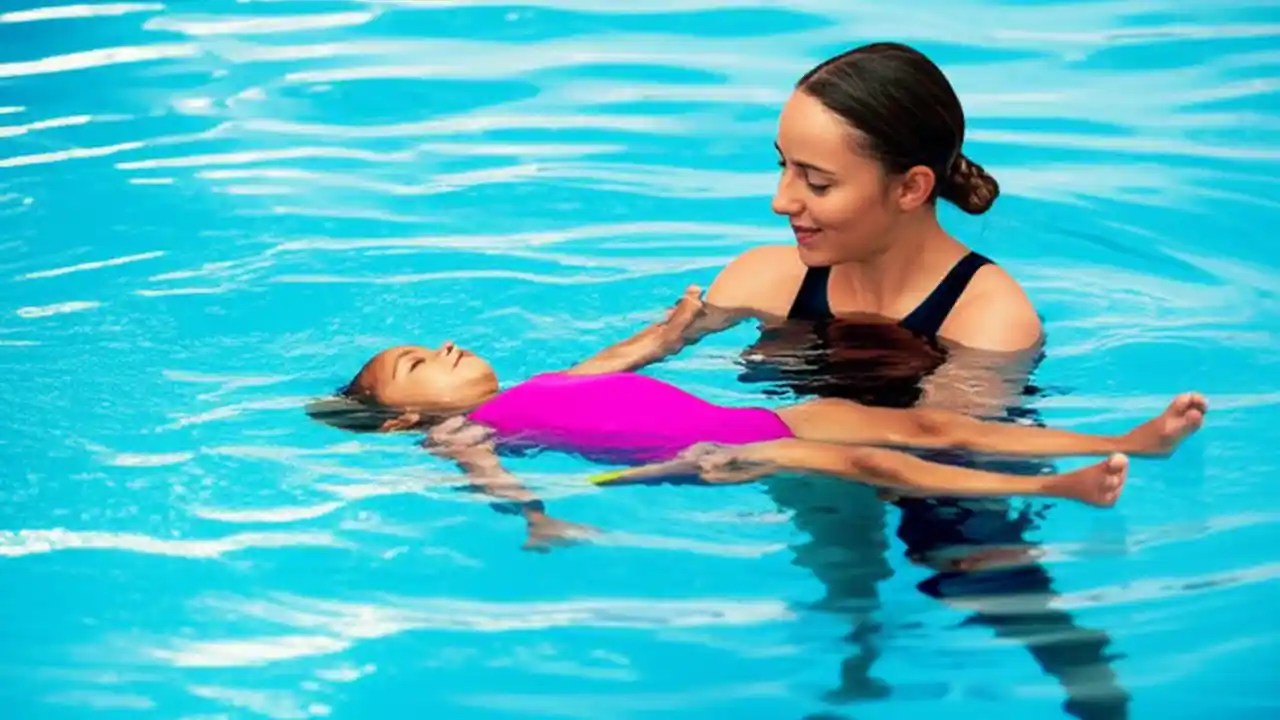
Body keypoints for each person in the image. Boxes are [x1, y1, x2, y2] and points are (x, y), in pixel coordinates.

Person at [307, 287, 1205, 551]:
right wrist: (538, 519)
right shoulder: (460, 431)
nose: (445, 346)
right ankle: (1070, 487)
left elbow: (627, 357)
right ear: (401, 419)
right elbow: (489, 478)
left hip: (761, 419)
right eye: (419, 362)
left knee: (926, 426)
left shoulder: (543, 380)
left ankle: (1124, 440)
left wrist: (675, 327)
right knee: (876, 465)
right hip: (714, 452)